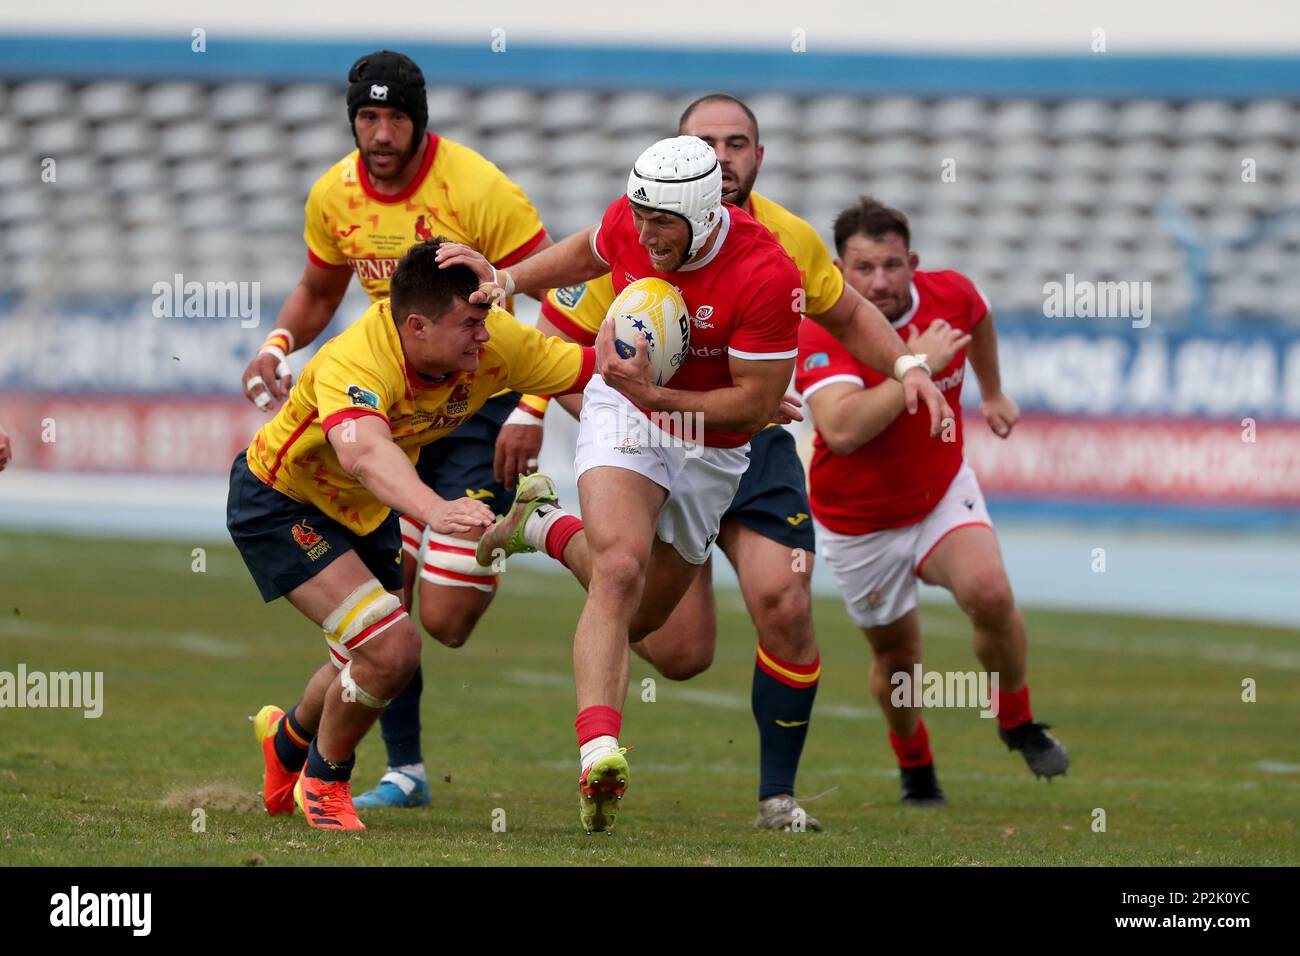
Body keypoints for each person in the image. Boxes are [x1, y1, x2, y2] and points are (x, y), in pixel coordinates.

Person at [438, 134, 948, 833]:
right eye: (641, 216)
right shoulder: (636, 220)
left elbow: (755, 405)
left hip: (714, 444)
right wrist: (511, 279)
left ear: (707, 213)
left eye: (663, 223)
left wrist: (656, 397)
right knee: (617, 569)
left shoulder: (767, 271)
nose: (646, 235)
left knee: (650, 623)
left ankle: (541, 526)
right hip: (625, 411)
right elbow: (592, 245)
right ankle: (599, 755)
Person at [239, 50, 556, 810]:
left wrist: (530, 405)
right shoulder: (333, 195)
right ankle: (398, 772)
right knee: (390, 625)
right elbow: (320, 289)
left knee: (443, 619)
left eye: (396, 118)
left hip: (473, 400)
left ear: (421, 121)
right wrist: (278, 343)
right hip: (389, 407)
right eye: (367, 118)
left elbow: (557, 290)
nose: (381, 134)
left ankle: (296, 745)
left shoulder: (479, 189)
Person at [233, 239, 594, 830]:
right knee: (391, 648)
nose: (486, 333)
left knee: (360, 657)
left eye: (486, 320)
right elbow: (366, 454)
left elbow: (591, 372)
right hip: (282, 502)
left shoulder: (495, 342)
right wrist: (433, 509)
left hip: (363, 512)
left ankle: (287, 740)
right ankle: (325, 783)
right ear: (418, 327)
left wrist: (715, 402)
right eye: (471, 324)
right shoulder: (357, 359)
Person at [795, 197, 1069, 807]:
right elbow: (841, 429)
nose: (880, 282)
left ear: (912, 261)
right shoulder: (822, 328)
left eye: (892, 265)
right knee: (898, 660)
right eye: (863, 268)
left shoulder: (949, 295)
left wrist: (993, 392)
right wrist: (915, 367)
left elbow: (981, 314)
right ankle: (916, 766)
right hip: (858, 522)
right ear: (838, 270)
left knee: (991, 594)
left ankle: (1017, 721)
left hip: (940, 493)